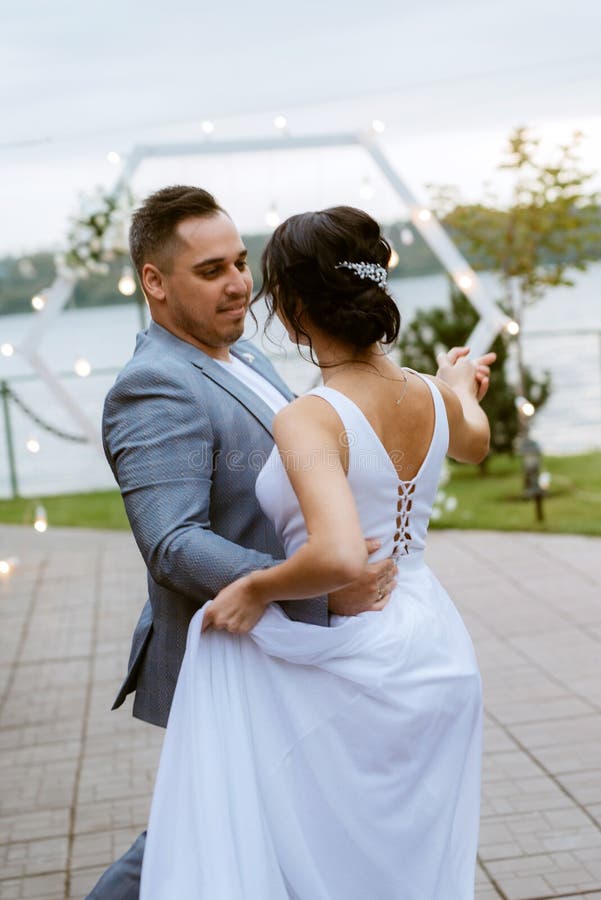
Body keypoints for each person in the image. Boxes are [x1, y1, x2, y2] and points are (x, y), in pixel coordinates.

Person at [138, 205, 495, 899]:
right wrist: (456, 388)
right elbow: (475, 439)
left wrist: (254, 589)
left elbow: (336, 557)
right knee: (404, 864)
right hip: (434, 644)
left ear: (294, 307)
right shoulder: (425, 391)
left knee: (307, 846)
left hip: (354, 654)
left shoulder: (310, 415)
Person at [87, 186, 413, 900]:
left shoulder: (246, 360)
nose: (239, 284)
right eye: (211, 271)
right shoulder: (153, 384)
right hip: (233, 653)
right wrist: (317, 581)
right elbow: (172, 544)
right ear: (154, 282)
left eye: (239, 262)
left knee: (238, 828)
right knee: (187, 837)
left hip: (287, 650)